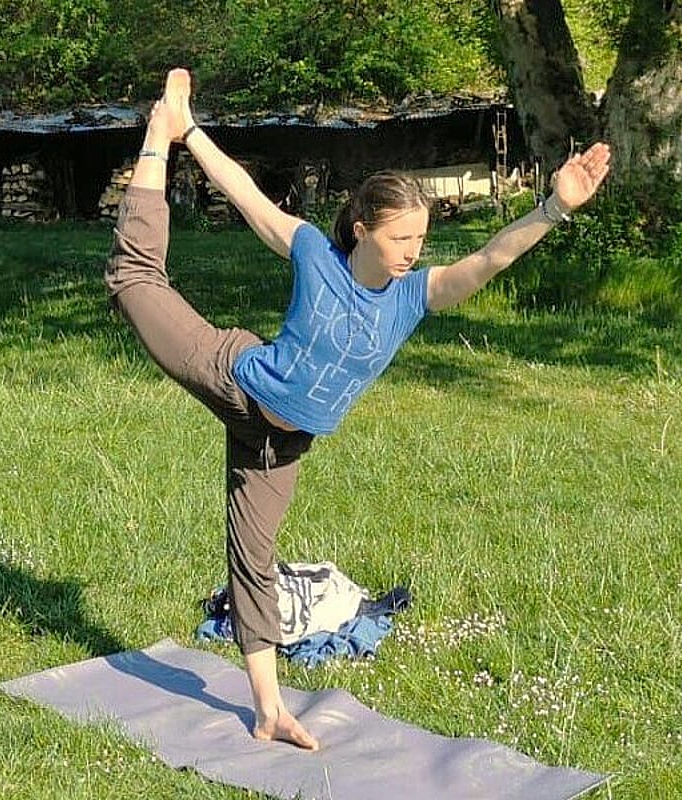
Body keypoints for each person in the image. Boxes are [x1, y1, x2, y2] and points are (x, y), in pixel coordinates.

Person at [106, 68, 611, 751]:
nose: (413, 252)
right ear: (365, 229)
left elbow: (490, 257)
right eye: (400, 239)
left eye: (420, 240)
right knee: (133, 279)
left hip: (277, 448)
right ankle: (155, 137)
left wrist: (553, 208)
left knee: (254, 561)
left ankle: (267, 709)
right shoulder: (317, 255)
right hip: (236, 378)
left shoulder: (413, 299)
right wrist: (187, 130)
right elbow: (246, 194)